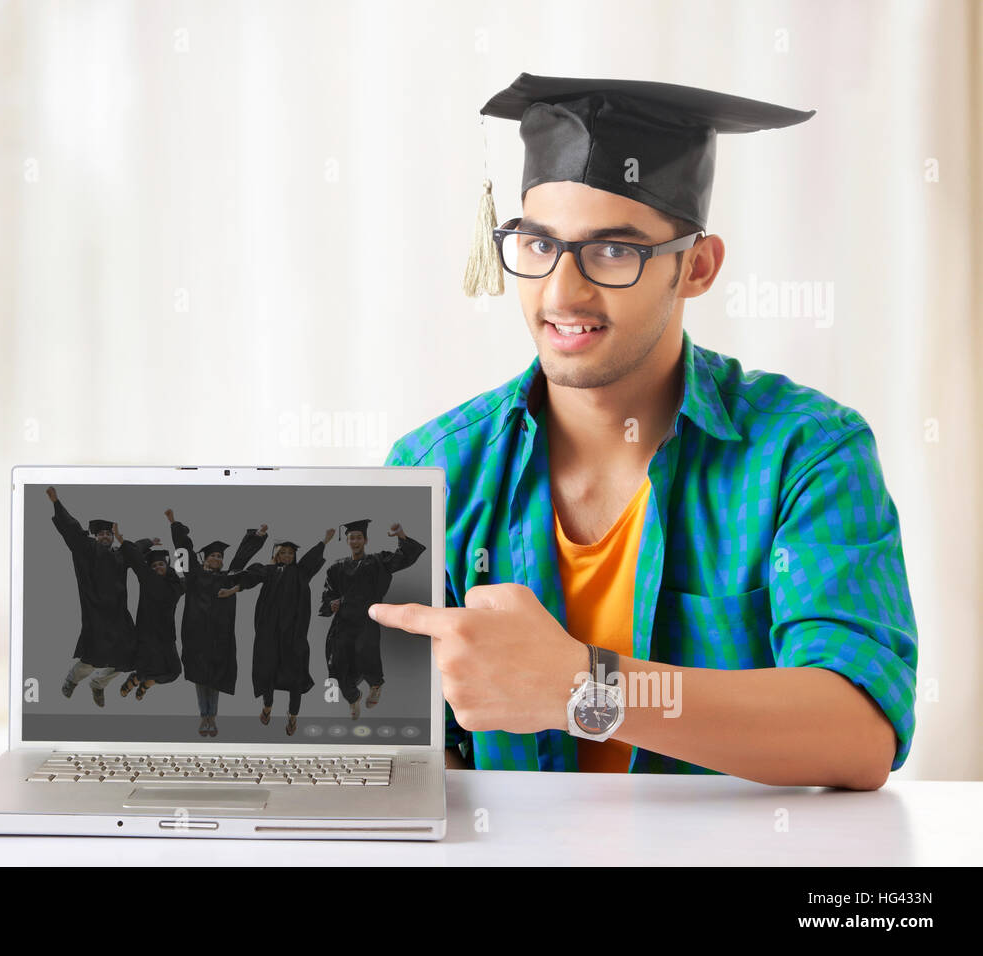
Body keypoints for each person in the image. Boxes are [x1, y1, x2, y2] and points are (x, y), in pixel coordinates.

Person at [370, 74, 917, 789]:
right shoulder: (437, 469)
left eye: (613, 252)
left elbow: (859, 730)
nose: (562, 293)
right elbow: (415, 755)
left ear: (697, 267)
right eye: (538, 245)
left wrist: (582, 688)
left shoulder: (804, 452)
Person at [167, 509, 266, 737]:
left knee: (217, 677)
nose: (217, 559)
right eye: (213, 556)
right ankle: (205, 716)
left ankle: (213, 716)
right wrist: (174, 523)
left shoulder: (228, 577)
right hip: (196, 635)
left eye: (220, 557)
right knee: (201, 678)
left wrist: (257, 537)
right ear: (206, 558)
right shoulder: (194, 576)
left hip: (221, 636)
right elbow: (184, 549)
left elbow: (246, 563)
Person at [318, 519, 425, 719]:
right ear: (347, 541)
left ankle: (375, 685)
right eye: (352, 538)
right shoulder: (336, 568)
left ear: (365, 540)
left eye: (359, 537)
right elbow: (328, 593)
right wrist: (332, 604)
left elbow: (404, 557)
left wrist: (401, 536)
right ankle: (353, 697)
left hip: (367, 617)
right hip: (343, 621)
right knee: (336, 662)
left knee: (365, 655)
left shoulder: (378, 561)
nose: (355, 541)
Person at [234, 528, 336, 735]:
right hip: (269, 633)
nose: (288, 556)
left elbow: (311, 558)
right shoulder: (268, 571)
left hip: (294, 634)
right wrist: (233, 588)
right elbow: (250, 576)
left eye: (291, 553)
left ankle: (293, 715)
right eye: (283, 552)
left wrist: (324, 541)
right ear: (276, 555)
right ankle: (268, 706)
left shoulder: (301, 572)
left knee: (296, 674)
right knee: (268, 669)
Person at [46, 486, 136, 707]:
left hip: (119, 618)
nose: (106, 536)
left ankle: (98, 685)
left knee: (127, 658)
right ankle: (72, 680)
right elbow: (72, 529)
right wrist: (56, 502)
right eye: (102, 533)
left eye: (109, 533)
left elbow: (137, 548)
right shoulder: (86, 549)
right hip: (96, 615)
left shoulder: (120, 555)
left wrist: (149, 543)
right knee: (92, 659)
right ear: (96, 536)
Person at [116, 534, 184, 702]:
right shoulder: (147, 579)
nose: (157, 567)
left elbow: (192, 580)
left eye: (161, 564)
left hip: (167, 636)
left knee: (174, 672)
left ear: (167, 566)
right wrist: (121, 539)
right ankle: (135, 680)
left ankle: (144, 683)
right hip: (147, 636)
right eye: (153, 565)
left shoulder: (175, 585)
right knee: (145, 669)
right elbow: (136, 560)